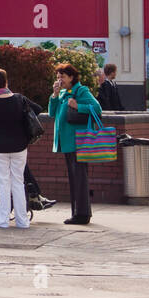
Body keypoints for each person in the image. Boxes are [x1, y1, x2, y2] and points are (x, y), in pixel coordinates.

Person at [48, 62, 102, 225]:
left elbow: (97, 108)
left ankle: (82, 214)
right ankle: (77, 212)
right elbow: (52, 113)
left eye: (62, 77)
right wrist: (55, 95)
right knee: (74, 178)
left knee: (79, 177)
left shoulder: (81, 90)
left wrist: (79, 105)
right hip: (67, 142)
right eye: (58, 77)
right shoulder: (63, 93)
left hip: (78, 141)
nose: (59, 80)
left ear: (71, 77)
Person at [0, 69, 32, 229]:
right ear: (6, 81)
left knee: (3, 183)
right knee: (18, 181)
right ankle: (22, 221)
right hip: (19, 145)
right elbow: (37, 109)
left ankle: (2, 221)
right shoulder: (19, 99)